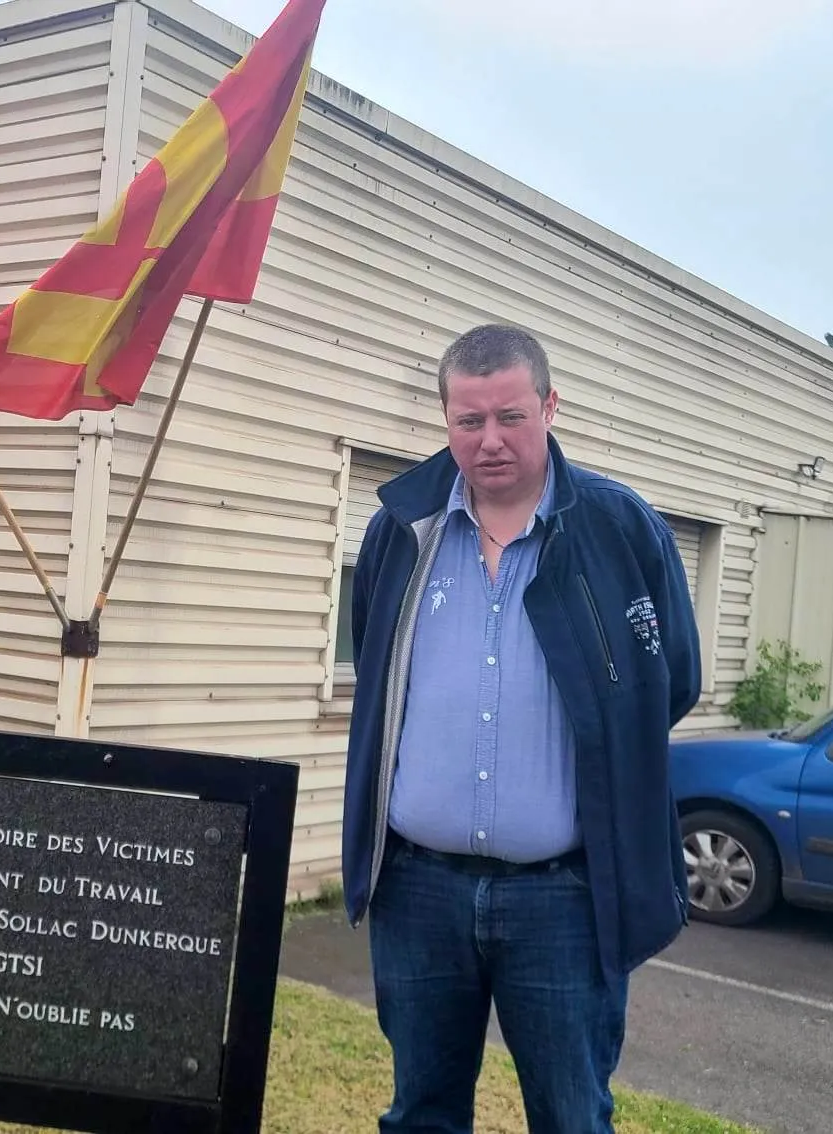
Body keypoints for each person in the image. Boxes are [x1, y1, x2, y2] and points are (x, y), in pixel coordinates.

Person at [341, 323, 702, 1134]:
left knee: (572, 1117)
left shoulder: (618, 529)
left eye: (511, 416)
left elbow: (668, 678)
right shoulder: (402, 529)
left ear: (549, 405)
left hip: (567, 899)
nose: (490, 441)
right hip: (419, 890)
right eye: (469, 422)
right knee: (420, 1112)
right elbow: (379, 674)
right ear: (445, 420)